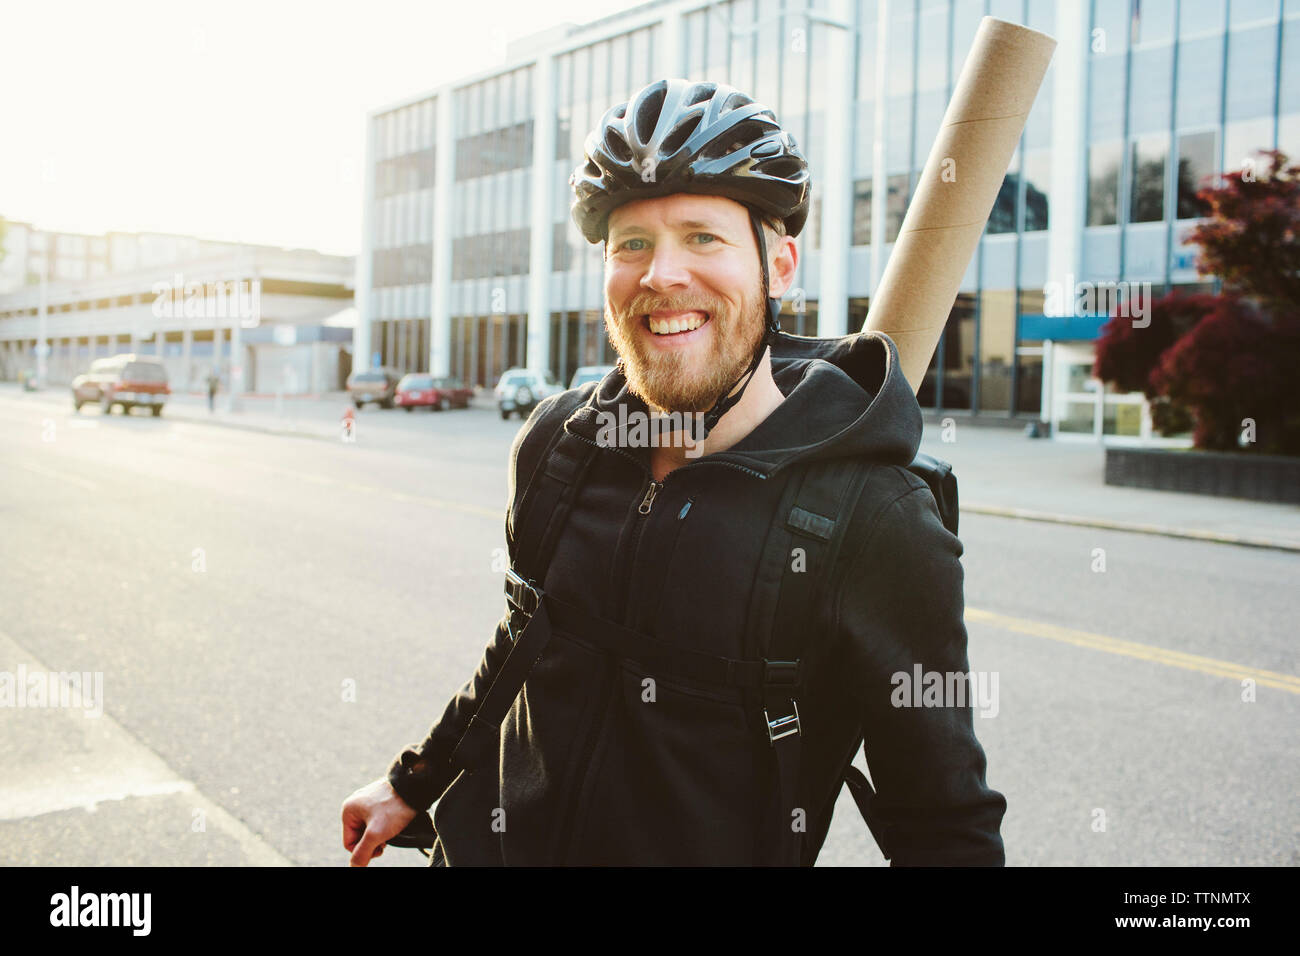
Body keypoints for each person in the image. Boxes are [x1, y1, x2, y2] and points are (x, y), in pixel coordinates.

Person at [341, 78, 1006, 867]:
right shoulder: (559, 443)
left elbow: (943, 824)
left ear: (779, 264)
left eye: (702, 237)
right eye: (632, 244)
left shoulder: (875, 517)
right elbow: (526, 639)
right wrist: (419, 780)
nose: (661, 274)